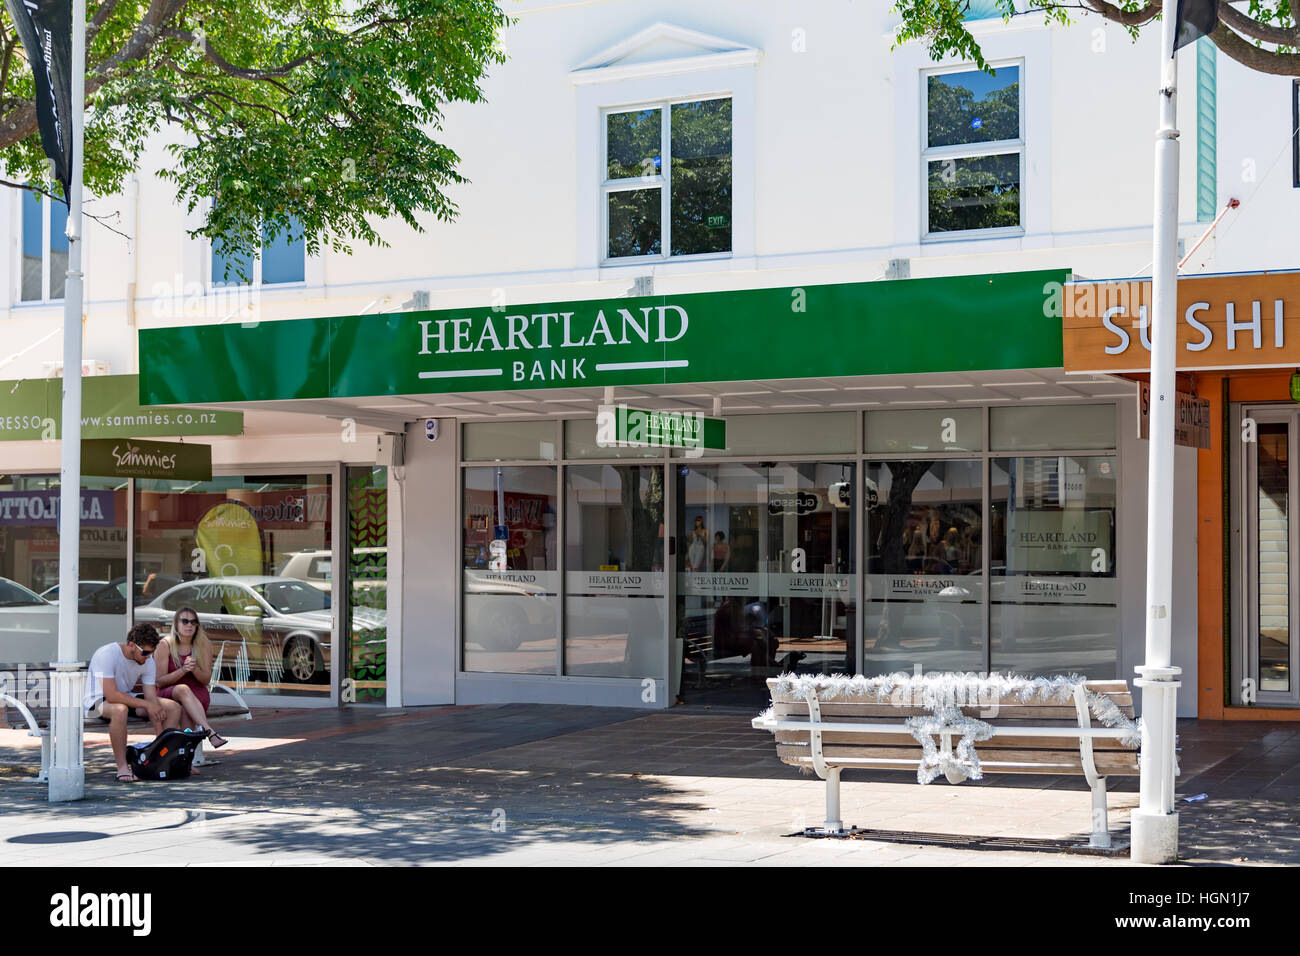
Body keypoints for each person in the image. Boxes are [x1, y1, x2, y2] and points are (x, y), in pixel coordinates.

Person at [83, 623, 182, 782]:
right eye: (145, 652)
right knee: (120, 710)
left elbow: (151, 700)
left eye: (152, 652)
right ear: (131, 645)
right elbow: (112, 695)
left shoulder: (147, 660)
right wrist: (148, 705)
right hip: (94, 703)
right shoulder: (107, 654)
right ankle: (122, 767)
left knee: (172, 707)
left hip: (125, 698)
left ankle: (163, 758)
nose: (148, 656)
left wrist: (159, 736)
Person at [154, 606, 228, 750]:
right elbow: (159, 681)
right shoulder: (165, 644)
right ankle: (210, 732)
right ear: (176, 624)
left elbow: (206, 680)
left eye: (193, 622)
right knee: (183, 689)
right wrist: (183, 670)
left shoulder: (203, 643)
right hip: (168, 692)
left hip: (196, 693)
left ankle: (186, 760)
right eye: (185, 621)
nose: (189, 625)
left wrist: (194, 669)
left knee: (186, 711)